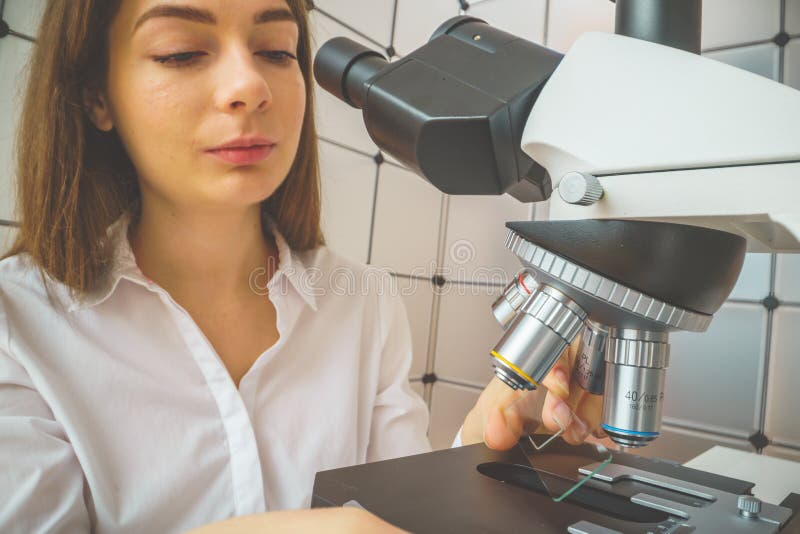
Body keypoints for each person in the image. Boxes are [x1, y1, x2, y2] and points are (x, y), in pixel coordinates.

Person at [0, 1, 602, 532]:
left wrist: (484, 443)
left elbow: (402, 511)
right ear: (96, 95)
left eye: (275, 51)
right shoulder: (18, 324)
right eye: (182, 52)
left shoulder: (363, 302)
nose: (249, 85)